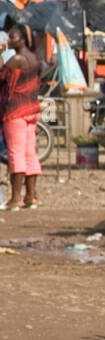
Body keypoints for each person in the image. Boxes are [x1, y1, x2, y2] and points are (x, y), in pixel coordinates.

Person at [0, 24, 44, 210]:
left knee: (16, 154)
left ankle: (15, 198)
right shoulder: (33, 58)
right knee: (29, 153)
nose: (9, 40)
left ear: (23, 40)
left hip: (16, 110)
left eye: (13, 37)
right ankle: (31, 197)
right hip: (32, 108)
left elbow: (1, 77)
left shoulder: (16, 59)